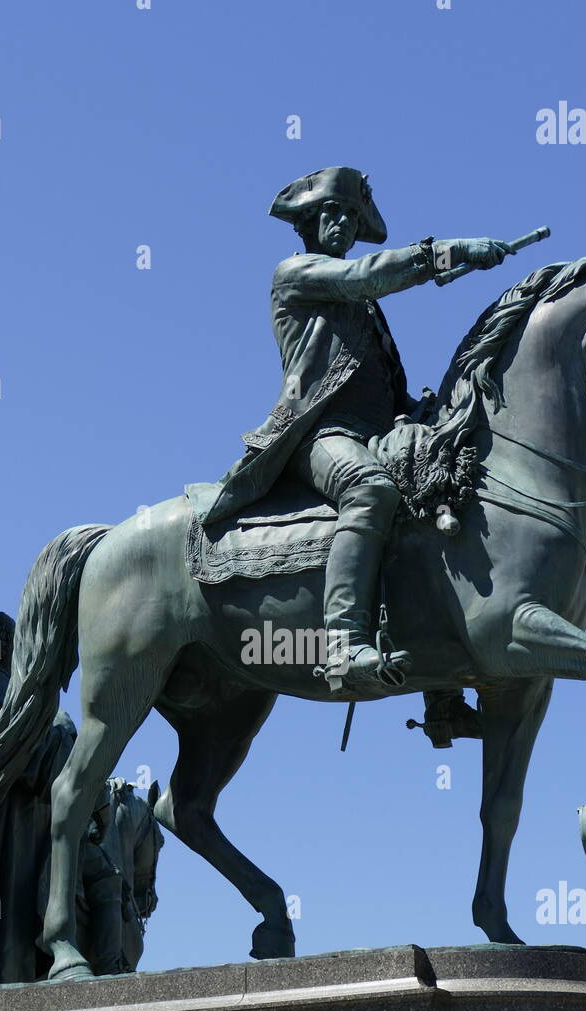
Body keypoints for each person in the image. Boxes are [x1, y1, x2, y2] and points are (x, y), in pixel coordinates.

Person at [187, 166, 510, 695]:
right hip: (317, 435)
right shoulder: (297, 272)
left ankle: (442, 687)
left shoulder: (364, 309)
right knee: (371, 490)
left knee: (436, 495)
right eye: (331, 213)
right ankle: (341, 642)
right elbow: (366, 275)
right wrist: (453, 253)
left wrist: (420, 409)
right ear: (310, 222)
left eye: (351, 217)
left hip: (371, 434)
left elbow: (376, 381)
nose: (341, 223)